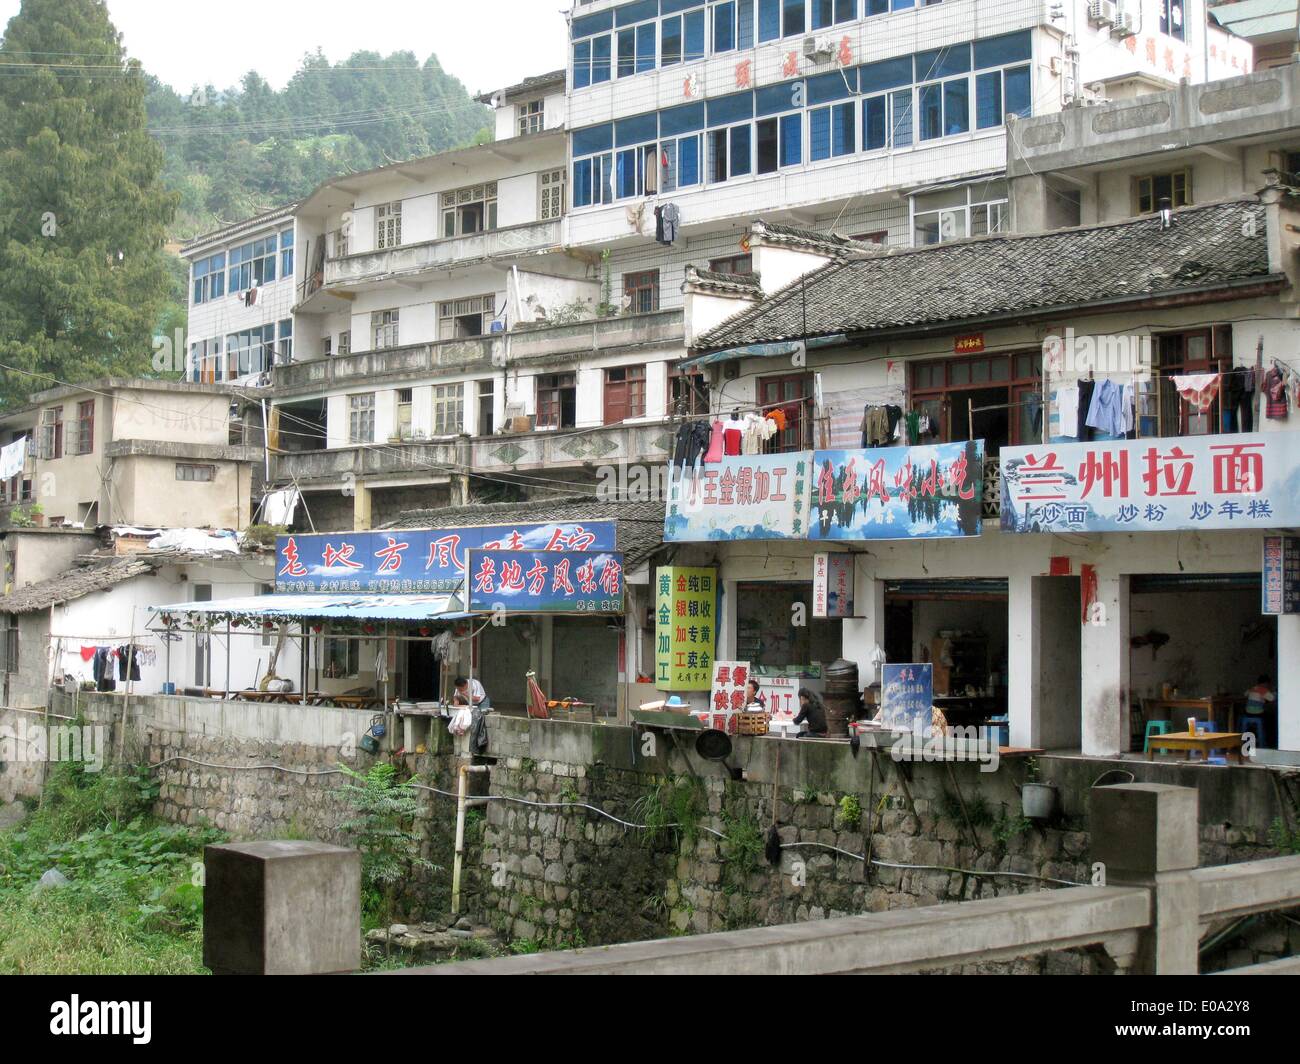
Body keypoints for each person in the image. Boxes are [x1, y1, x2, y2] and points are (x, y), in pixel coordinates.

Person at [1245, 675, 1276, 747]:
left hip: (1247, 713)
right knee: (1271, 718)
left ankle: (1251, 739)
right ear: (1266, 683)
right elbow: (1272, 698)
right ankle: (1269, 742)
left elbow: (1245, 694)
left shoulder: (1252, 688)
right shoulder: (1263, 690)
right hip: (1258, 713)